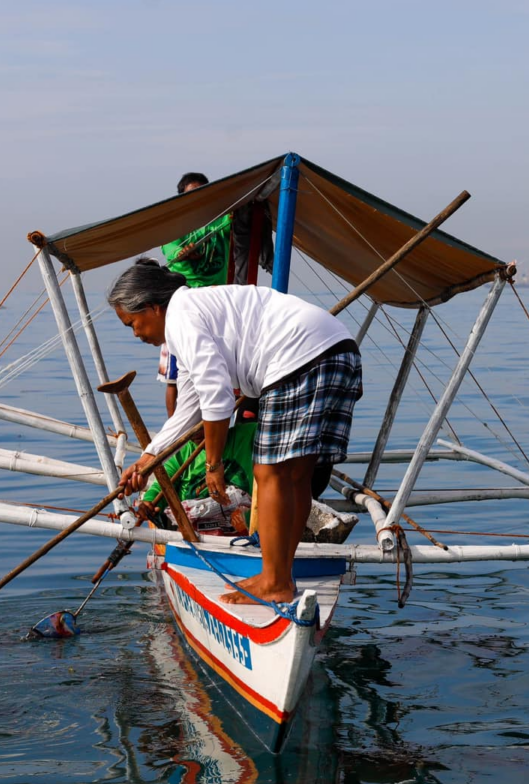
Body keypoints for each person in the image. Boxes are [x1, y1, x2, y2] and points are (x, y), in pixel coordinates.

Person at [110, 259, 361, 606]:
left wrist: (214, 465)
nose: (136, 334)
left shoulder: (182, 317)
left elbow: (217, 398)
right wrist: (148, 459)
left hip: (298, 357)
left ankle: (274, 582)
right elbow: (190, 407)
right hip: (339, 351)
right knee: (296, 476)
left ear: (152, 307)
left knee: (269, 473)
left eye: (133, 324)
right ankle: (280, 576)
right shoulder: (193, 315)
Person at [157, 172, 232, 417]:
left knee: (217, 372)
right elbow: (176, 252)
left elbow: (238, 212)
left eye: (203, 193)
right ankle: (178, 432)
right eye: (192, 194)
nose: (198, 198)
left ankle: (212, 428)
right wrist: (187, 252)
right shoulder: (174, 226)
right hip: (182, 310)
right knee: (174, 377)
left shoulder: (220, 221)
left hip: (215, 308)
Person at [136, 403, 258, 535]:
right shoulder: (181, 452)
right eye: (190, 425)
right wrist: (148, 502)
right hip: (194, 537)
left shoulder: (248, 435)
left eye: (203, 422)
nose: (196, 432)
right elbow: (161, 485)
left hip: (245, 536)